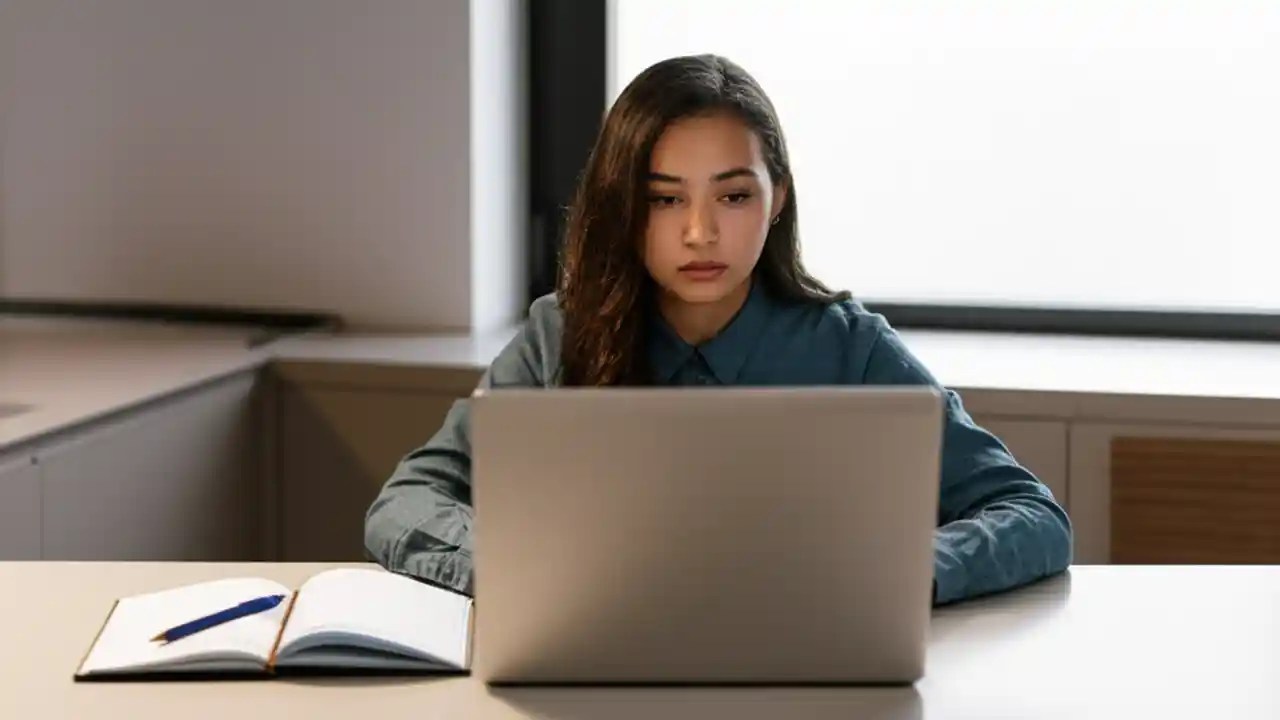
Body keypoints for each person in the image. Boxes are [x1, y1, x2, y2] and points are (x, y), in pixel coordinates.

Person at [364, 53, 1072, 606]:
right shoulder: (560, 335)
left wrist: (898, 574)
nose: (700, 232)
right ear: (624, 207)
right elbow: (406, 502)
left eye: (733, 196)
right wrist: (520, 570)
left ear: (778, 199)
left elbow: (1032, 515)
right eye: (665, 199)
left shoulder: (850, 347)